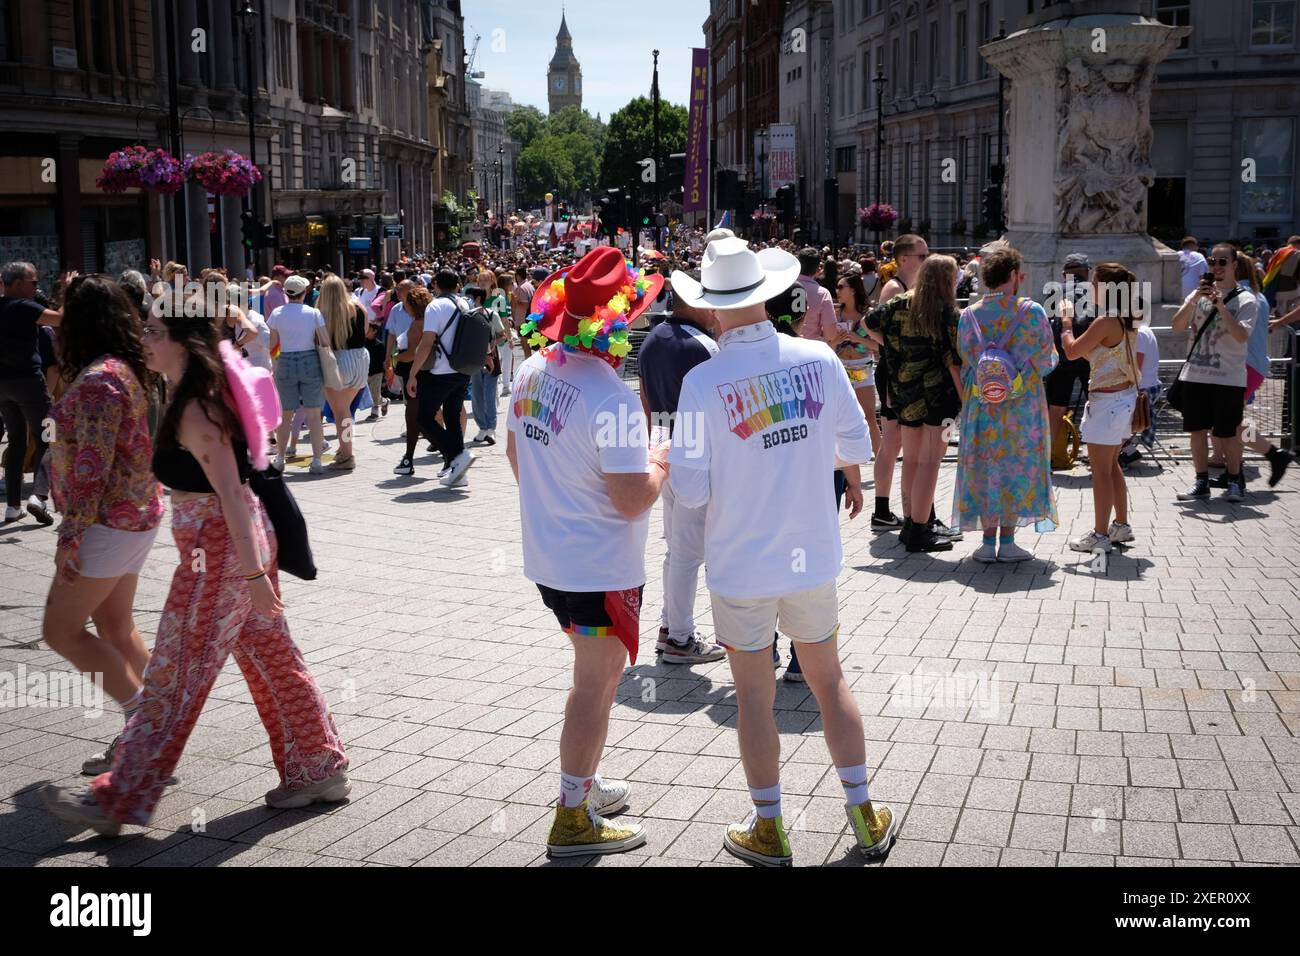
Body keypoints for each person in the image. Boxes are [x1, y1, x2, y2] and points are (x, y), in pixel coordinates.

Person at [40, 305, 350, 836]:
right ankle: (319, 768)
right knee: (273, 657)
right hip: (236, 544)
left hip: (222, 551)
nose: (145, 340)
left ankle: (120, 797)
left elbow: (230, 490)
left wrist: (253, 579)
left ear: (181, 342)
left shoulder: (195, 407)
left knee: (172, 675)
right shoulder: (194, 390)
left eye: (155, 333)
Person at [668, 238, 896, 866]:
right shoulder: (819, 359)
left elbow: (689, 489)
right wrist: (798, 451)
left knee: (753, 696)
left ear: (712, 307)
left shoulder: (702, 380)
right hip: (810, 555)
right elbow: (856, 441)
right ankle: (864, 812)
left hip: (740, 563)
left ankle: (769, 825)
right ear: (767, 294)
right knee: (829, 681)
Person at [506, 247, 668, 858]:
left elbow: (516, 458)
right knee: (594, 688)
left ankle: (587, 781)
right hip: (598, 566)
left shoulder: (531, 372)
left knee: (591, 673)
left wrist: (558, 500)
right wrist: (661, 461)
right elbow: (632, 501)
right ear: (621, 323)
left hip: (551, 562)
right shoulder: (615, 399)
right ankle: (572, 815)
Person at [40, 275, 164, 777]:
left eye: (65, 311)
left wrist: (69, 536)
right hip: (132, 516)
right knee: (115, 626)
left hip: (108, 523)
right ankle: (158, 724)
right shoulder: (120, 369)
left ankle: (143, 728)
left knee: (60, 630)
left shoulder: (98, 381)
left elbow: (92, 465)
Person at [636, 284, 727, 665]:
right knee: (689, 553)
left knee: (677, 550)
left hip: (664, 446)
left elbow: (644, 397)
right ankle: (679, 636)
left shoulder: (652, 338)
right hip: (695, 454)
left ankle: (670, 626)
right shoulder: (705, 348)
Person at [953, 243, 1059, 562]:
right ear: (1013, 275)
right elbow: (1048, 360)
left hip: (982, 405)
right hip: (1022, 407)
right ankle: (1008, 541)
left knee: (986, 466)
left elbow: (965, 358)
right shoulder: (1031, 312)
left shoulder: (969, 315)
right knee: (1015, 465)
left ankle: (987, 544)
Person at [863, 255, 964, 553]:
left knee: (913, 459)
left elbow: (866, 323)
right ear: (947, 279)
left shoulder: (899, 303)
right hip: (939, 396)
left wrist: (892, 346)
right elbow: (955, 360)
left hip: (904, 392)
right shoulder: (947, 311)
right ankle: (920, 528)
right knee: (931, 462)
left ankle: (910, 523)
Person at [1061, 263, 1141, 554]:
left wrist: (1067, 324)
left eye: (1094, 283)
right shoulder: (1130, 315)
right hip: (1123, 399)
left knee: (1101, 472)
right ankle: (1120, 524)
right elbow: (1106, 355)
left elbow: (1071, 352)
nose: (1090, 288)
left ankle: (1100, 534)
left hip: (1107, 403)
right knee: (1112, 466)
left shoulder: (1106, 320)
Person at [1171, 243, 1259, 503]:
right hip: (1195, 375)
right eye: (1212, 261)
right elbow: (1177, 325)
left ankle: (1234, 482)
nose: (1216, 267)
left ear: (1234, 265)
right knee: (1197, 432)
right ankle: (1201, 481)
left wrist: (1221, 306)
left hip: (1228, 377)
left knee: (1228, 434)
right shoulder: (1198, 295)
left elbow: (1242, 335)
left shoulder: (1246, 299)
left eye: (1222, 262)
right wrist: (1196, 298)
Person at [866, 234, 932, 535]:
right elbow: (873, 327)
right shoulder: (895, 287)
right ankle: (887, 510)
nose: (926, 260)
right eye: (922, 255)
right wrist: (897, 347)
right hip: (894, 372)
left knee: (896, 441)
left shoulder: (915, 287)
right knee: (893, 441)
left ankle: (895, 511)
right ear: (903, 259)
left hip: (903, 371)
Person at [1, 261, 64, 524]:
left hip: (2, 386)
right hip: (28, 381)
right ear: (17, 284)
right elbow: (60, 319)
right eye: (34, 282)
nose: (37, 286)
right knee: (48, 436)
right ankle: (39, 496)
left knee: (16, 441)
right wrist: (67, 294)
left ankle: (13, 507)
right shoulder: (25, 307)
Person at [1222, 249, 1291, 488]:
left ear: (1233, 268)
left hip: (1244, 366)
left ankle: (1272, 454)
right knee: (1232, 421)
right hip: (1252, 364)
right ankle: (1236, 470)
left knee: (1231, 423)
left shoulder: (1240, 295)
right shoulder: (1256, 295)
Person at [407, 270, 475, 487]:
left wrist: (413, 373)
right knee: (452, 417)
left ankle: (457, 455)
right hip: (463, 369)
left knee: (425, 417)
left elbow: (427, 343)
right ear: (457, 284)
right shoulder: (466, 303)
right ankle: (458, 473)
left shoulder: (435, 306)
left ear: (435, 285)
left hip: (441, 371)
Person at [268, 274, 329, 474]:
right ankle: (317, 460)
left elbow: (273, 345)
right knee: (313, 414)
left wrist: (276, 363)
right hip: (309, 359)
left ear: (286, 292)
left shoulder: (277, 313)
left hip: (285, 360)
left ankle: (279, 458)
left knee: (285, 414)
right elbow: (325, 341)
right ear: (304, 293)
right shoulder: (313, 313)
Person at [1045, 253, 1095, 467]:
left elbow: (1046, 325)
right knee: (1095, 404)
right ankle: (1098, 456)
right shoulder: (1095, 291)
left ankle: (1046, 457)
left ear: (1064, 273)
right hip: (1088, 355)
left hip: (1061, 356)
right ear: (1086, 272)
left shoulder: (1053, 291)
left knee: (1055, 408)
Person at [318, 274, 369, 471]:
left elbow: (322, 341)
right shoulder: (359, 308)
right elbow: (365, 332)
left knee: (341, 413)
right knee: (345, 411)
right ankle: (344, 449)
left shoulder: (323, 314)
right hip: (360, 359)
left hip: (339, 361)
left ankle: (347, 454)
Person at [835, 273, 883, 460]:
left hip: (860, 367)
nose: (837, 291)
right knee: (838, 418)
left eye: (841, 287)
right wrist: (835, 340)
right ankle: (844, 460)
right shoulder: (834, 314)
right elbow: (827, 343)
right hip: (840, 368)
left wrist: (857, 339)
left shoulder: (868, 315)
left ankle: (880, 460)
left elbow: (879, 346)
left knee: (869, 416)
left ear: (852, 290)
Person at [463, 284, 507, 446]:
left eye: (469, 298)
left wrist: (492, 343)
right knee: (476, 396)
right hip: (474, 362)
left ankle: (491, 429)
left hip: (491, 360)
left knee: (489, 396)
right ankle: (482, 427)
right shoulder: (466, 316)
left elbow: (502, 335)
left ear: (478, 299)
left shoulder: (491, 315)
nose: (466, 300)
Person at [1120, 315, 1163, 468]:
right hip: (1146, 386)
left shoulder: (1139, 333)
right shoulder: (1144, 330)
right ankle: (1126, 449)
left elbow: (1135, 370)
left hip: (1142, 389)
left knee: (1112, 408)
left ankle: (1126, 450)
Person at [795, 247, 840, 346]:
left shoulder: (783, 287)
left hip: (784, 346)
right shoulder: (822, 293)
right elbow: (830, 335)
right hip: (811, 348)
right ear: (817, 268)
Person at [511, 267, 537, 366]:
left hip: (523, 320)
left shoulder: (521, 288)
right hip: (529, 318)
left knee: (525, 344)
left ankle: (528, 364)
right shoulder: (529, 285)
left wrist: (516, 300)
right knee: (528, 343)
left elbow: (524, 304)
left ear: (518, 276)